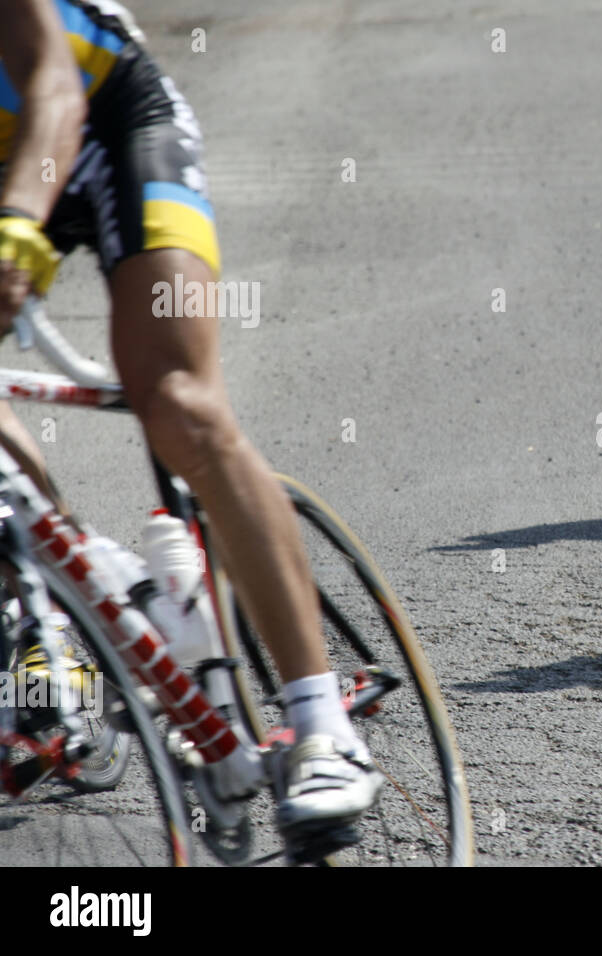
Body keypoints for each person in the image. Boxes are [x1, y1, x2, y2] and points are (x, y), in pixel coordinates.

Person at [0, 0, 381, 836]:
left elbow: (54, 90)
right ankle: (70, 590)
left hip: (105, 122)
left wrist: (19, 236)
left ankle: (321, 727)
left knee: (176, 400)